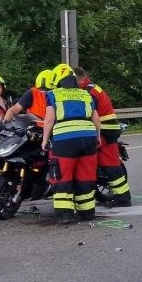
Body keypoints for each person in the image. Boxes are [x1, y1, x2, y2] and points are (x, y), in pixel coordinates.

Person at [41, 64, 101, 224]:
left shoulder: (53, 94)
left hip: (64, 141)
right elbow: (96, 118)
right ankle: (87, 213)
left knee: (63, 178)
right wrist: (98, 136)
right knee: (86, 177)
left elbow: (49, 119)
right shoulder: (86, 94)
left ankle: (65, 215)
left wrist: (45, 140)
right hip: (88, 138)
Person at [74, 66, 130, 207]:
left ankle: (123, 198)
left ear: (81, 79)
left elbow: (87, 113)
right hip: (106, 129)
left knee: (110, 165)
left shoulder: (89, 92)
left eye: (73, 80)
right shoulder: (90, 88)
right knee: (105, 164)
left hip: (105, 130)